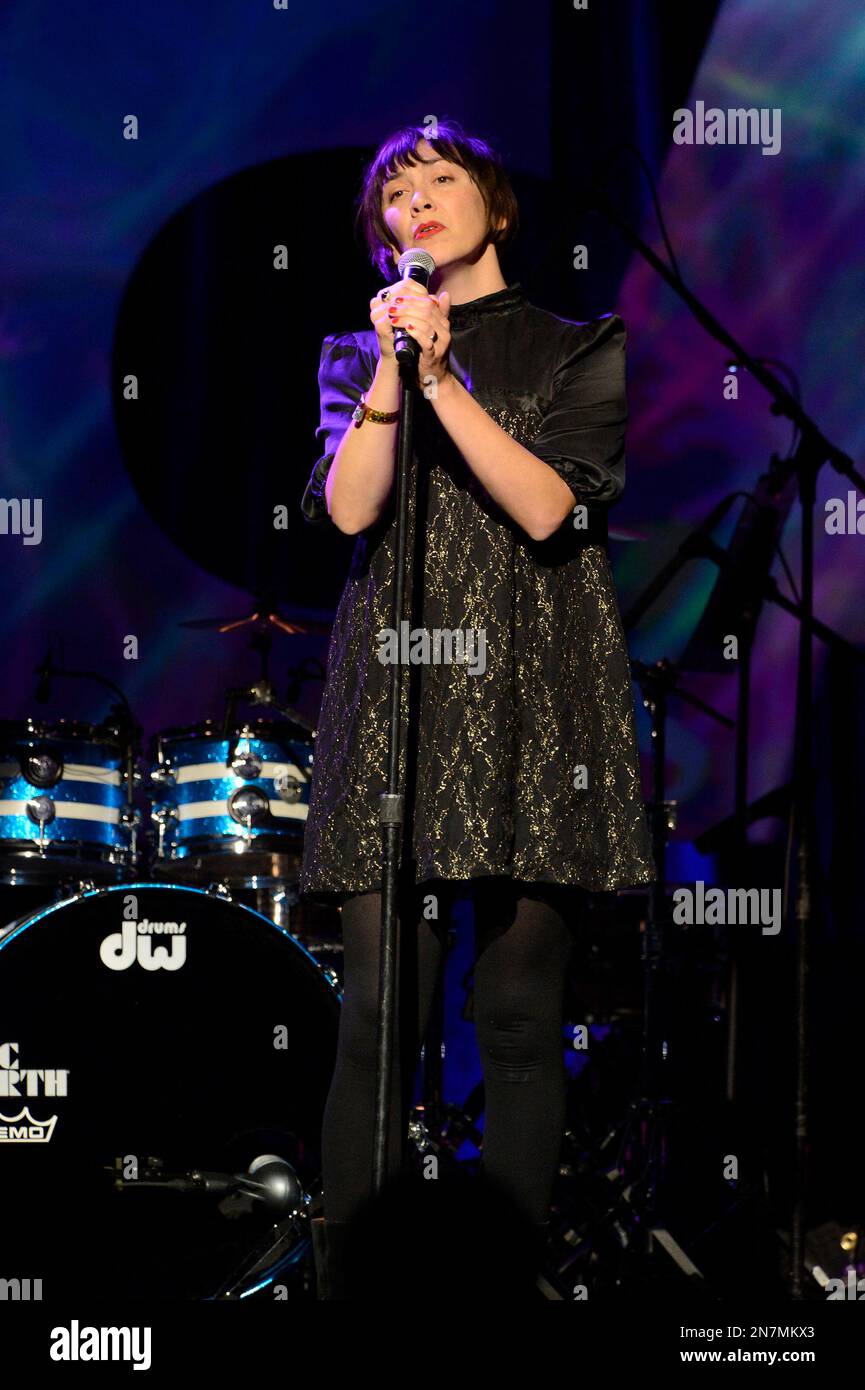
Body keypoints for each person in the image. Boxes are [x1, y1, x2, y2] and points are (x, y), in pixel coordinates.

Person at [299, 119, 655, 1296]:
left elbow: (550, 509)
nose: (418, 202)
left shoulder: (574, 342)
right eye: (394, 194)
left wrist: (446, 375)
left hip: (533, 694)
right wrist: (397, 376)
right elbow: (351, 514)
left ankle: (498, 1293)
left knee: (511, 1007)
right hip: (398, 689)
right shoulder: (357, 356)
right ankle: (353, 1286)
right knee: (376, 1013)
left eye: (441, 180)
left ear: (494, 208)